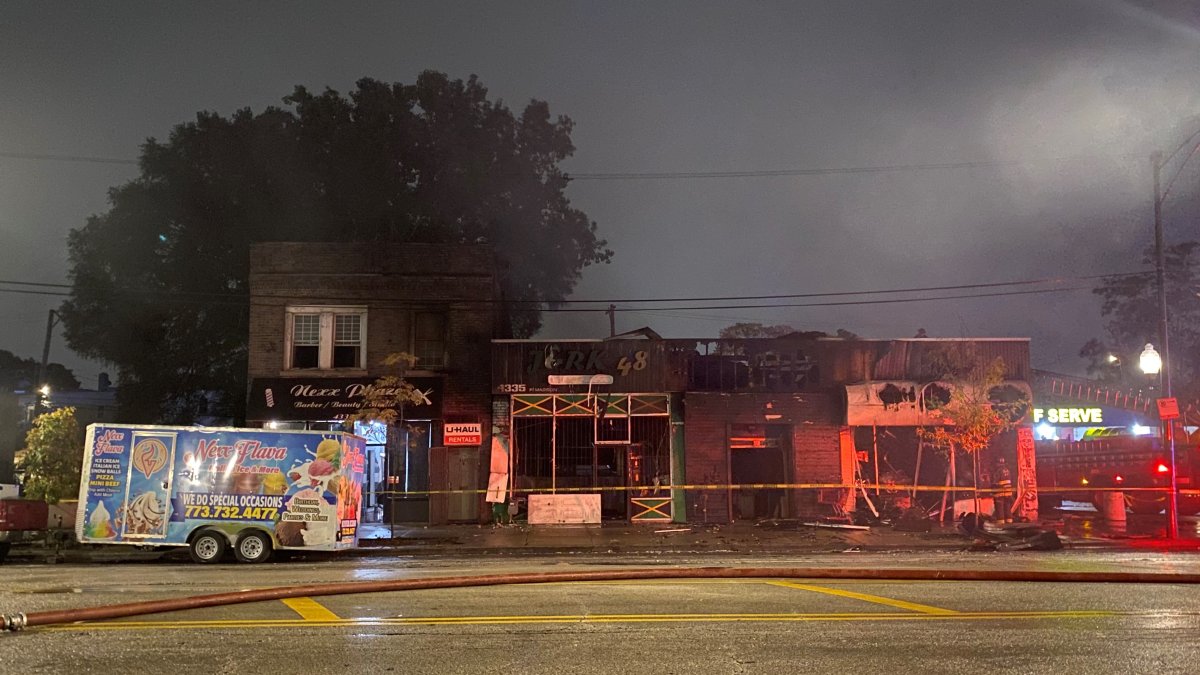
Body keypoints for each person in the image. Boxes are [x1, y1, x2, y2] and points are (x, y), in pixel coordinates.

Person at [993, 457, 1013, 523]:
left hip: (1000, 492)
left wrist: (992, 489)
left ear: (998, 463)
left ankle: (1000, 522)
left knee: (999, 508)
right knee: (1007, 507)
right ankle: (1009, 521)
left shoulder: (997, 471)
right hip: (1008, 492)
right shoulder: (1007, 470)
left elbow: (995, 482)